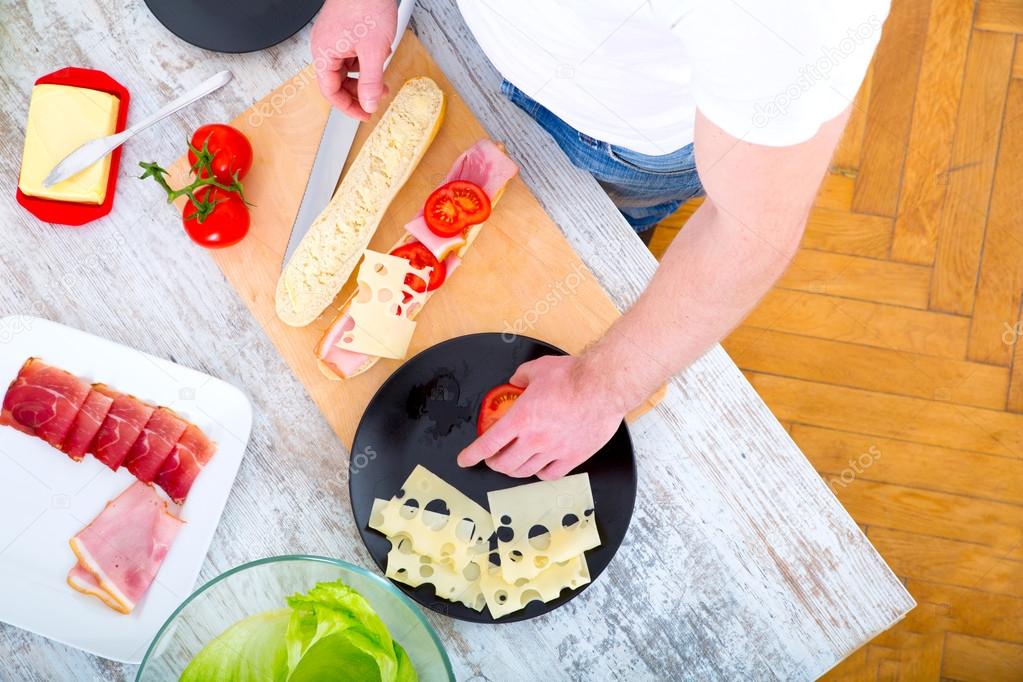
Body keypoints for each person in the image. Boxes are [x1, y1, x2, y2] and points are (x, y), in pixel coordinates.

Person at [311, 0, 889, 480]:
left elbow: (751, 232)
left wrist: (602, 386)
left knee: (593, 264)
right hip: (465, 30)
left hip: (617, 143)